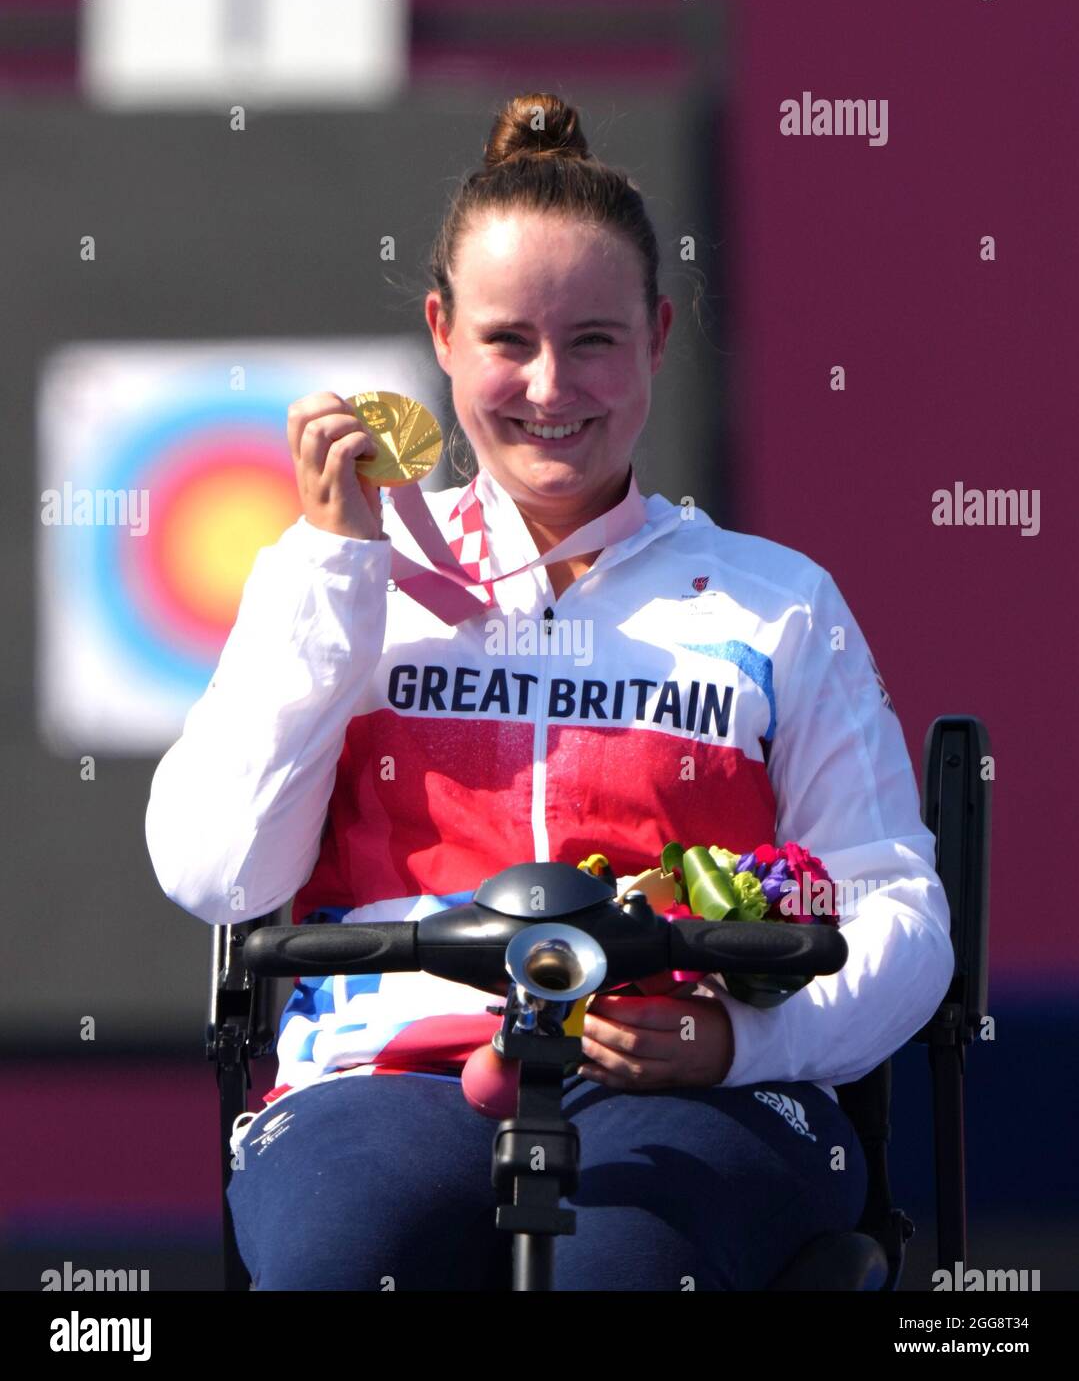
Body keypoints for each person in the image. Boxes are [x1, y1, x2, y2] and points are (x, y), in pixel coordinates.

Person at [145, 93, 954, 1291]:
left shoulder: (772, 604)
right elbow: (217, 875)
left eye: (592, 340)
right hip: (385, 1074)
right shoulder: (337, 572)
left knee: (618, 1267)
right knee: (345, 1258)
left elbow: (900, 915)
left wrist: (742, 1039)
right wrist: (330, 572)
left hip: (699, 1085)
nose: (546, 385)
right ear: (438, 332)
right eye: (506, 339)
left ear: (659, 337)